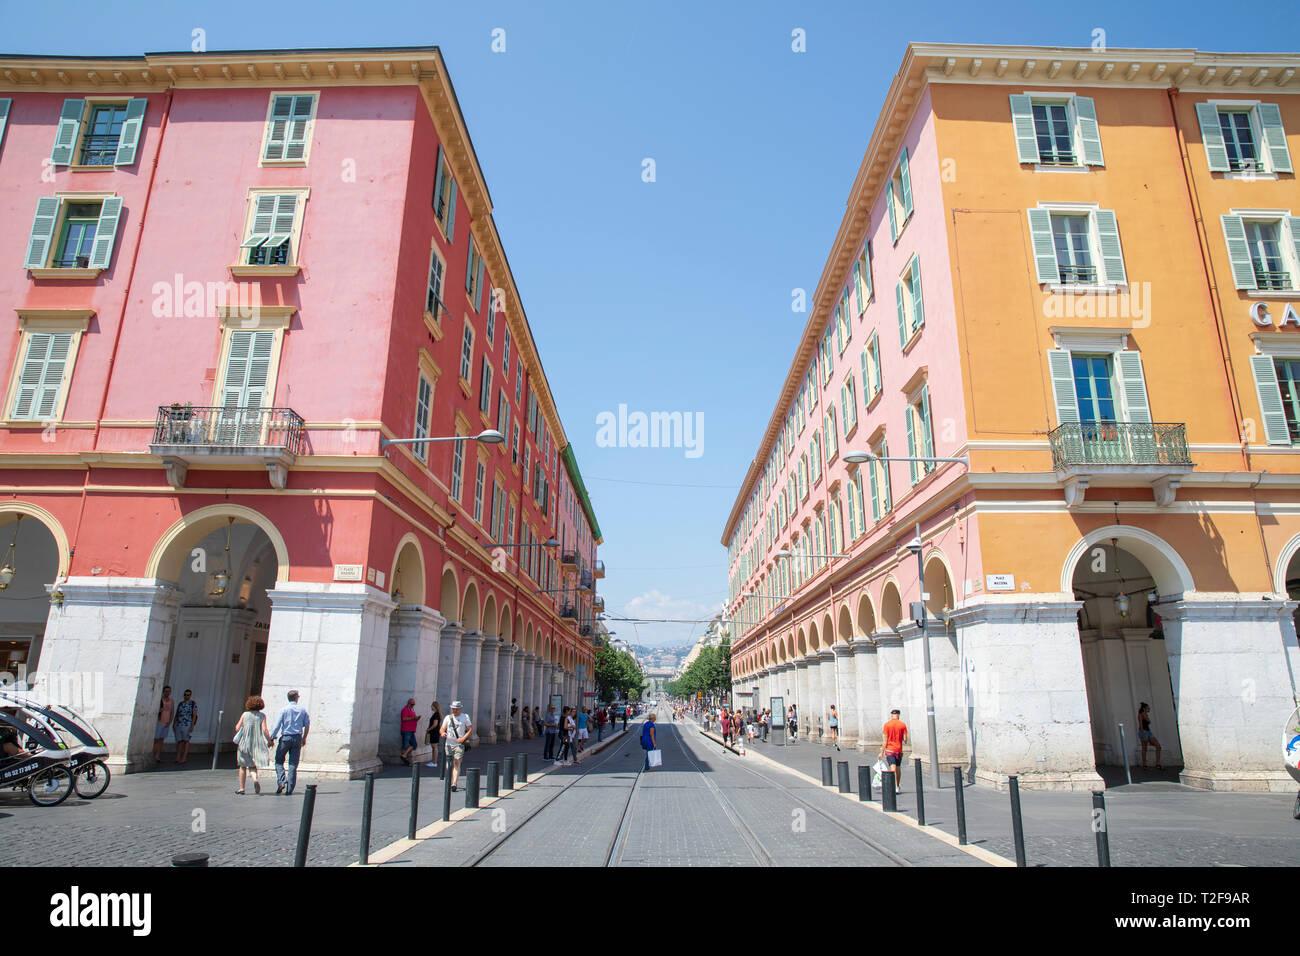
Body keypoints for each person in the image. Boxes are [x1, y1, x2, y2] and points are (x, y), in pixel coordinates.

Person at [269, 690, 311, 795]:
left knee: (278, 760)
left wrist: (272, 737)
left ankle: (282, 781)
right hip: (297, 737)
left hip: (285, 737)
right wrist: (304, 737)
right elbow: (307, 725)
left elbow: (278, 725)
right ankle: (290, 788)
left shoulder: (284, 710)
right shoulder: (302, 710)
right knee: (293, 764)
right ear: (296, 698)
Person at [233, 695, 272, 794]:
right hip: (256, 744)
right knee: (252, 765)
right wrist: (270, 741)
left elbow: (237, 728)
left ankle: (242, 788)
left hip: (244, 743)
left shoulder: (245, 714)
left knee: (242, 766)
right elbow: (264, 730)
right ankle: (255, 779)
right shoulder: (262, 716)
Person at [440, 700, 472, 791]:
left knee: (457, 761)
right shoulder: (448, 718)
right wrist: (442, 733)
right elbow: (442, 729)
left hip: (459, 744)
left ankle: (454, 783)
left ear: (460, 708)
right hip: (449, 744)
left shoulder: (465, 717)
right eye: (453, 709)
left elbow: (469, 729)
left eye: (456, 709)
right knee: (449, 764)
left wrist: (463, 738)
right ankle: (450, 780)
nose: (454, 710)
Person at [879, 708, 909, 794]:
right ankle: (897, 785)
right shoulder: (902, 725)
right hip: (899, 750)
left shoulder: (887, 725)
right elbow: (905, 739)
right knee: (898, 767)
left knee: (892, 767)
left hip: (889, 750)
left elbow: (885, 740)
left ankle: (893, 785)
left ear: (891, 715)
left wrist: (881, 752)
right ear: (898, 715)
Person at [173, 689, 198, 764]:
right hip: (179, 724)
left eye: (188, 695)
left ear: (190, 695)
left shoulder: (193, 704)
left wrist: (192, 725)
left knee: (186, 741)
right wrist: (174, 723)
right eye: (185, 695)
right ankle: (178, 757)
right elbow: (177, 713)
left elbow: (194, 715)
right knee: (179, 741)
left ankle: (184, 757)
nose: (186, 696)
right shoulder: (180, 704)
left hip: (187, 724)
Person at [1138, 702, 1163, 770]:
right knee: (1144, 748)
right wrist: (1144, 735)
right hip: (1143, 732)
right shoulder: (1141, 715)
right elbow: (1141, 725)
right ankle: (1144, 764)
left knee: (1158, 746)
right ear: (1144, 708)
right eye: (1148, 708)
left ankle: (1157, 763)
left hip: (1149, 732)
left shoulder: (1146, 715)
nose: (1149, 709)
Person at [153, 685, 174, 761]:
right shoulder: (160, 700)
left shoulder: (171, 701)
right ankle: (152, 754)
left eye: (169, 691)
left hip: (166, 722)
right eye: (166, 691)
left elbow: (172, 712)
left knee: (161, 740)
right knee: (156, 739)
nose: (167, 693)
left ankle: (157, 756)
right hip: (159, 721)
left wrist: (170, 722)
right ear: (163, 692)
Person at [399, 697, 419, 765]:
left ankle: (404, 756)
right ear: (408, 703)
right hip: (406, 730)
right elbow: (404, 719)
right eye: (412, 704)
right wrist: (413, 718)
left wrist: (416, 718)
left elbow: (413, 718)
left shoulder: (412, 710)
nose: (413, 705)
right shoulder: (405, 710)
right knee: (405, 745)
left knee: (414, 745)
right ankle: (404, 759)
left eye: (414, 704)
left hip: (411, 730)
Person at [424, 700, 442, 768]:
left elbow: (435, 724)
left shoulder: (436, 714)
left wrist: (429, 729)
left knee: (434, 747)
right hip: (435, 732)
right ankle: (433, 761)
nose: (431, 707)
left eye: (431, 705)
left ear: (434, 706)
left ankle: (434, 762)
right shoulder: (437, 714)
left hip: (434, 732)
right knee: (434, 747)